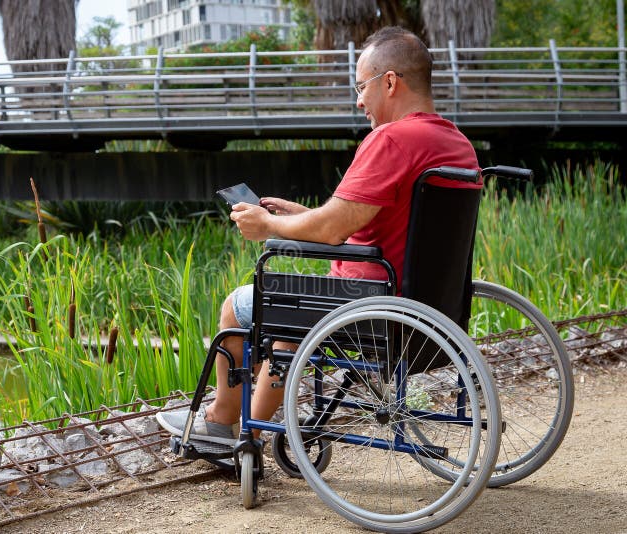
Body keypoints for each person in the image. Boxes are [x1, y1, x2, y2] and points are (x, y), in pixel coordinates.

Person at [156, 26, 481, 446]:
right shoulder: (456, 143)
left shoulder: (392, 139)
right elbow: (375, 223)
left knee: (237, 308)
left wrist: (269, 226)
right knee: (290, 323)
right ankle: (243, 439)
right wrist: (305, 216)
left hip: (370, 303)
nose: (360, 100)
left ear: (390, 82)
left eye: (362, 86)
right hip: (428, 307)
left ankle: (220, 420)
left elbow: (332, 230)